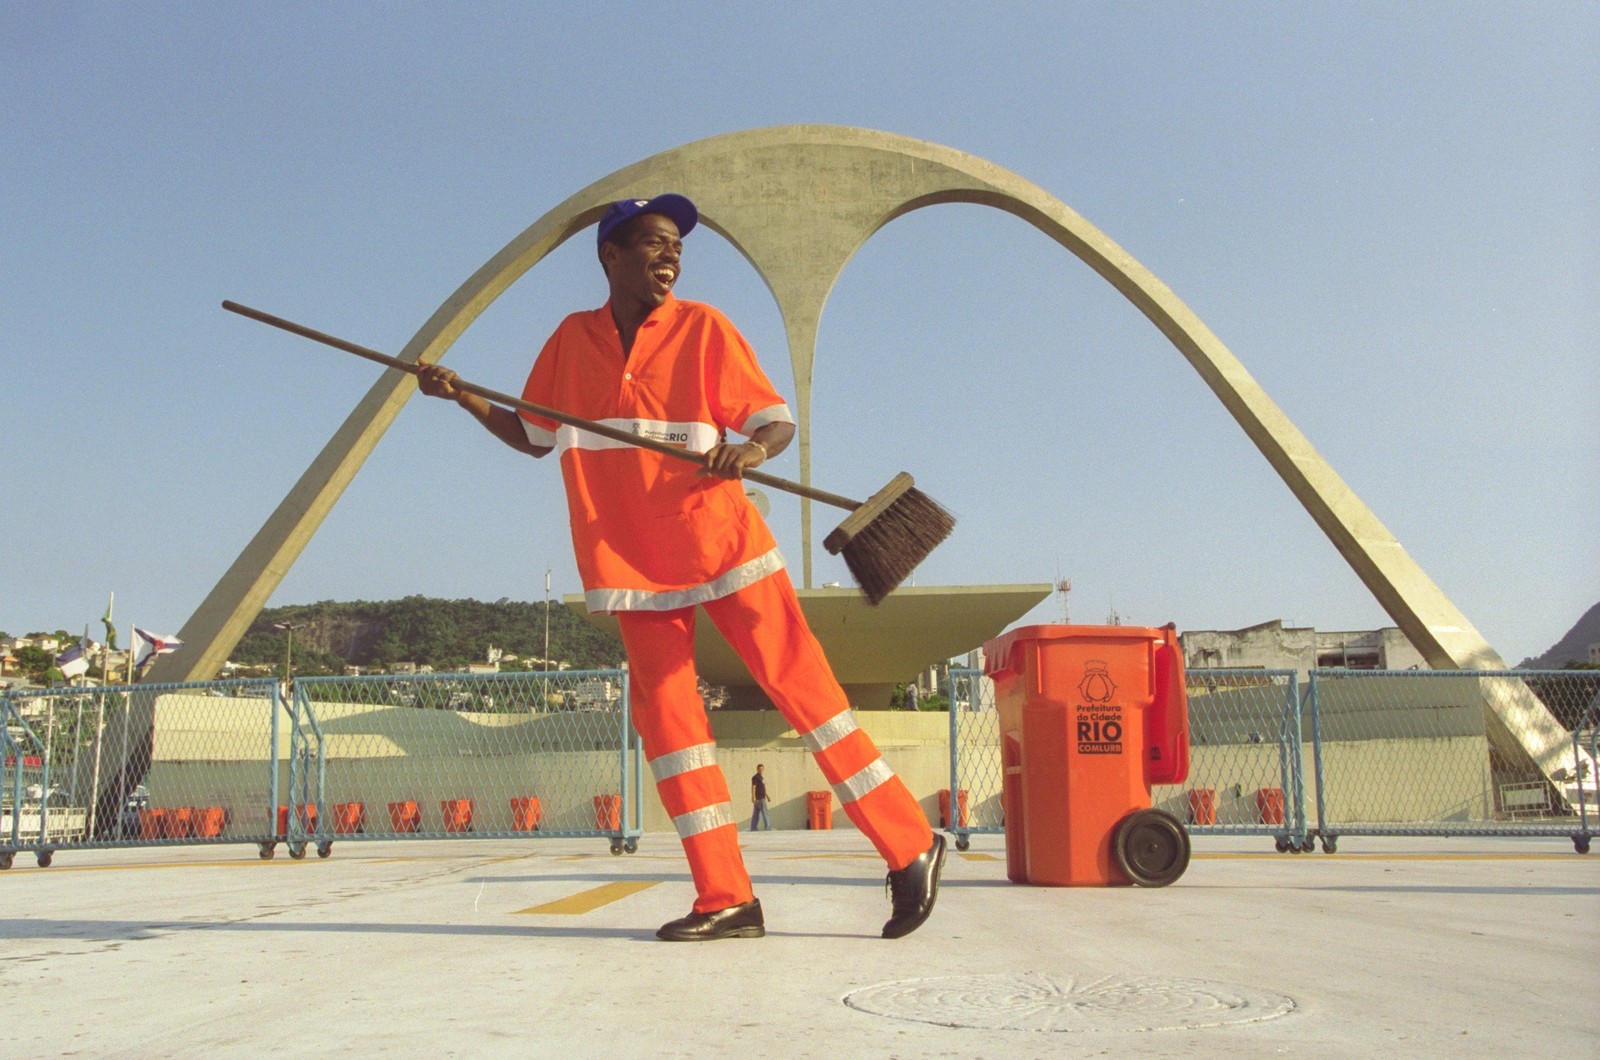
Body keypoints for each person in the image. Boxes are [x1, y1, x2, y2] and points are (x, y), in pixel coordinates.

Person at [417, 193, 944, 942]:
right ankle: (725, 896)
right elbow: (534, 436)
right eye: (655, 244)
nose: (671, 257)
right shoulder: (570, 341)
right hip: (629, 559)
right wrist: (461, 396)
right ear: (611, 254)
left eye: (678, 248)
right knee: (671, 728)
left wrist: (750, 451)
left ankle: (909, 844)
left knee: (809, 698)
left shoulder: (704, 328)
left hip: (723, 546)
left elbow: (774, 419)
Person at [749, 763, 771, 831]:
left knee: (756, 814)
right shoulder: (755, 777)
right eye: (759, 769)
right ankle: (768, 827)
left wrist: (767, 796)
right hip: (759, 798)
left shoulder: (761, 778)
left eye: (762, 769)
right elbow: (753, 787)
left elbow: (763, 788)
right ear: (757, 769)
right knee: (765, 813)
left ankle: (753, 828)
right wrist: (753, 797)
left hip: (762, 797)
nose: (761, 770)